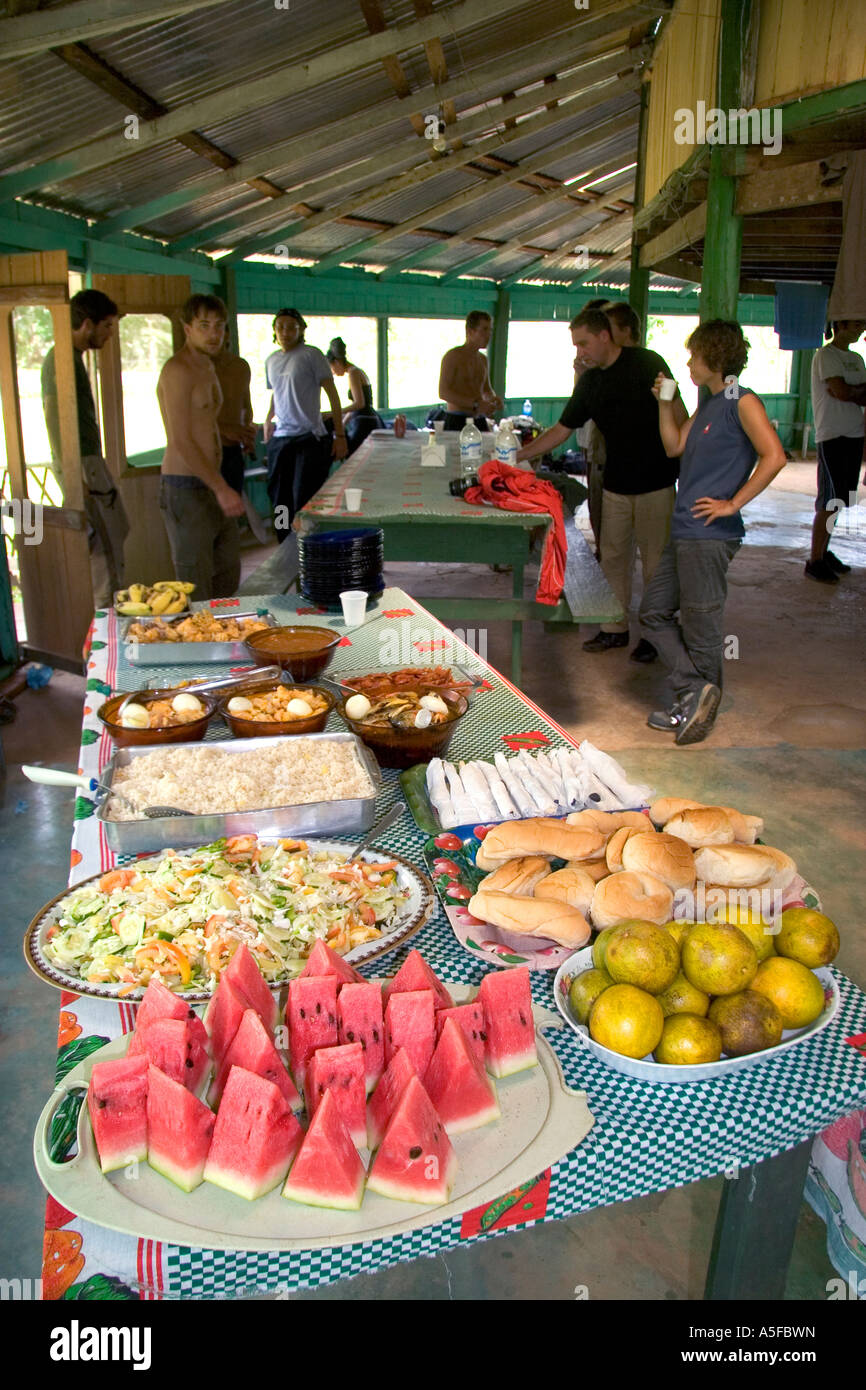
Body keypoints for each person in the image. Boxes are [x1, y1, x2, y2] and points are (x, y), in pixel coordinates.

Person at [639, 320, 786, 745]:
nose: (688, 363)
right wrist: (666, 404)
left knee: (702, 628)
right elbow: (673, 447)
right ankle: (693, 691)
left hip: (710, 533)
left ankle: (696, 712)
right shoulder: (709, 403)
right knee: (653, 612)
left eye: (693, 356)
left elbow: (774, 456)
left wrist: (733, 503)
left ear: (713, 357)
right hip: (684, 528)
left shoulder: (742, 400)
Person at [516, 307, 686, 661]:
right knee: (612, 559)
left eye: (584, 344)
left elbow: (679, 413)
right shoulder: (591, 382)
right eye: (576, 346)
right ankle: (614, 629)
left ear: (605, 336)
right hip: (616, 484)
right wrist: (518, 456)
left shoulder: (647, 363)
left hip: (656, 483)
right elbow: (562, 429)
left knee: (656, 563)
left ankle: (656, 636)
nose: (580, 352)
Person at [41, 288, 130, 607]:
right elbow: (55, 417)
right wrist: (74, 477)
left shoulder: (73, 358)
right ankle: (107, 631)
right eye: (107, 326)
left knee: (118, 529)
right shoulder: (61, 360)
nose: (109, 335)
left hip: (88, 462)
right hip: (81, 465)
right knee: (103, 552)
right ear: (88, 324)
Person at [156, 293, 243, 600]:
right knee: (194, 584)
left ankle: (223, 643)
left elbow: (203, 422)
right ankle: (198, 645)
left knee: (228, 572)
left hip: (213, 482)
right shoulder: (177, 370)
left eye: (219, 326)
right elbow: (181, 439)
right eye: (204, 325)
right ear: (187, 328)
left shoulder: (206, 366)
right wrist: (221, 488)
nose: (213, 334)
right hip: (185, 486)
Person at [263, 308, 346, 542]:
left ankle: (308, 543)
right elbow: (276, 394)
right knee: (280, 498)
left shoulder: (311, 355)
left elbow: (332, 394)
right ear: (274, 331)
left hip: (310, 437)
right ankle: (283, 541)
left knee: (304, 497)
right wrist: (269, 418)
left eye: (291, 327)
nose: (285, 332)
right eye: (280, 327)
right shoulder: (271, 360)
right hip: (281, 437)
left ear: (300, 330)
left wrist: (340, 435)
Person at [806, 318, 866, 582]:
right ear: (840, 325)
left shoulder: (856, 359)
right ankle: (814, 560)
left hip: (855, 434)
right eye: (856, 325)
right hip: (832, 435)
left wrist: (849, 391)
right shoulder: (825, 355)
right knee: (829, 500)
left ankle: (825, 551)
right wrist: (851, 391)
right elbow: (840, 392)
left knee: (841, 499)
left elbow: (845, 391)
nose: (861, 329)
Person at [438, 310, 503, 431]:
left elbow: (487, 390)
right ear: (470, 331)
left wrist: (493, 400)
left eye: (490, 330)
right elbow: (443, 392)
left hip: (478, 419)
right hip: (456, 419)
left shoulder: (483, 360)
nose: (488, 335)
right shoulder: (453, 356)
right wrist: (475, 404)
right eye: (484, 329)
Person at [214, 332, 257, 496]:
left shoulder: (240, 366)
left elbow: (246, 406)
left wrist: (246, 432)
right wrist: (223, 429)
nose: (213, 334)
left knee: (232, 516)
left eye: (217, 327)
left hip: (232, 453)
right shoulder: (193, 369)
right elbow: (184, 422)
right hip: (205, 454)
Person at [325, 337, 382, 454]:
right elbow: (355, 406)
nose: (333, 372)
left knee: (352, 454)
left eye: (332, 368)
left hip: (364, 421)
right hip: (364, 418)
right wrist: (342, 422)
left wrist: (335, 412)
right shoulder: (354, 372)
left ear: (336, 362)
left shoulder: (353, 373)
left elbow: (359, 403)